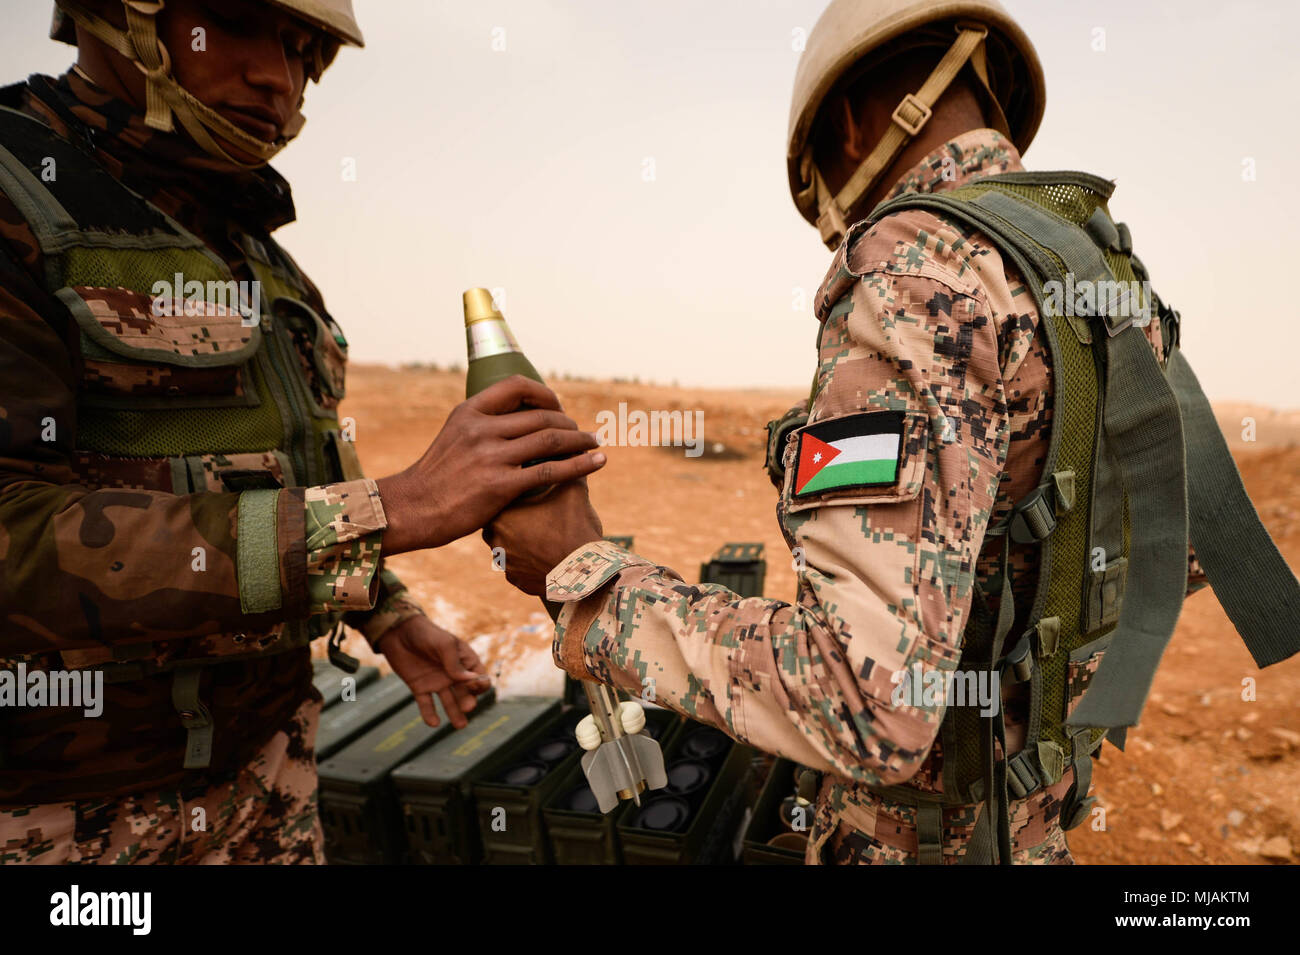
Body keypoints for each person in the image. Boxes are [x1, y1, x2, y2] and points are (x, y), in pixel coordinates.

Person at [486, 0, 1299, 864]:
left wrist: (594, 586)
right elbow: (1180, 556)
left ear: (844, 123)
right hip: (1035, 832)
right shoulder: (1095, 264)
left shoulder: (913, 267)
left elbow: (861, 704)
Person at [0, 0, 604, 864]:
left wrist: (388, 614)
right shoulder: (17, 198)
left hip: (272, 769)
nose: (276, 78)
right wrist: (388, 509)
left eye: (302, 50)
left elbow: (299, 467)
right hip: (61, 820)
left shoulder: (262, 261)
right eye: (238, 24)